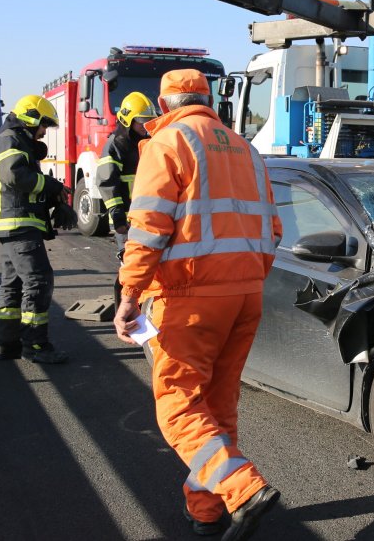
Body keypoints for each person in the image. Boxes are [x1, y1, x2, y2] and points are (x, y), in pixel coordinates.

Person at [114, 69, 282, 541]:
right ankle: (207, 512)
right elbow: (272, 228)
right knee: (217, 407)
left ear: (163, 105)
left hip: (189, 298)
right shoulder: (245, 149)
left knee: (178, 407)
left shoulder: (167, 144)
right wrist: (246, 278)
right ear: (209, 101)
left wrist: (130, 296)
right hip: (245, 294)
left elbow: (147, 230)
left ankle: (242, 488)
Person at [0, 95, 69, 364]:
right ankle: (35, 344)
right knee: (38, 279)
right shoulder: (11, 138)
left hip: (12, 223)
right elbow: (14, 176)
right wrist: (51, 185)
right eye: (43, 125)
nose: (44, 131)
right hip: (18, 222)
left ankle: (7, 343)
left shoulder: (12, 139)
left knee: (13, 283)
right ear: (31, 118)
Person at [97, 91, 156, 309]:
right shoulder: (115, 145)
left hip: (147, 216)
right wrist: (118, 216)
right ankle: (126, 315)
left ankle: (142, 312)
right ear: (127, 119)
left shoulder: (150, 141)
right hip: (127, 218)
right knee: (129, 269)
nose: (146, 126)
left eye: (149, 121)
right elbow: (107, 182)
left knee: (146, 268)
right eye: (142, 121)